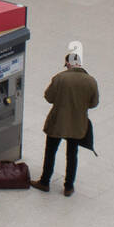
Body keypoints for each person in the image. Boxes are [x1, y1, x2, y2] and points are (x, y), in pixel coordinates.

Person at [32, 49, 100, 196]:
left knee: (50, 151)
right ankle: (68, 186)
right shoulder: (91, 81)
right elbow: (94, 103)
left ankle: (44, 182)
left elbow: (49, 97)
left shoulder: (60, 78)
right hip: (78, 123)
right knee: (72, 154)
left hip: (58, 121)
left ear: (68, 64)